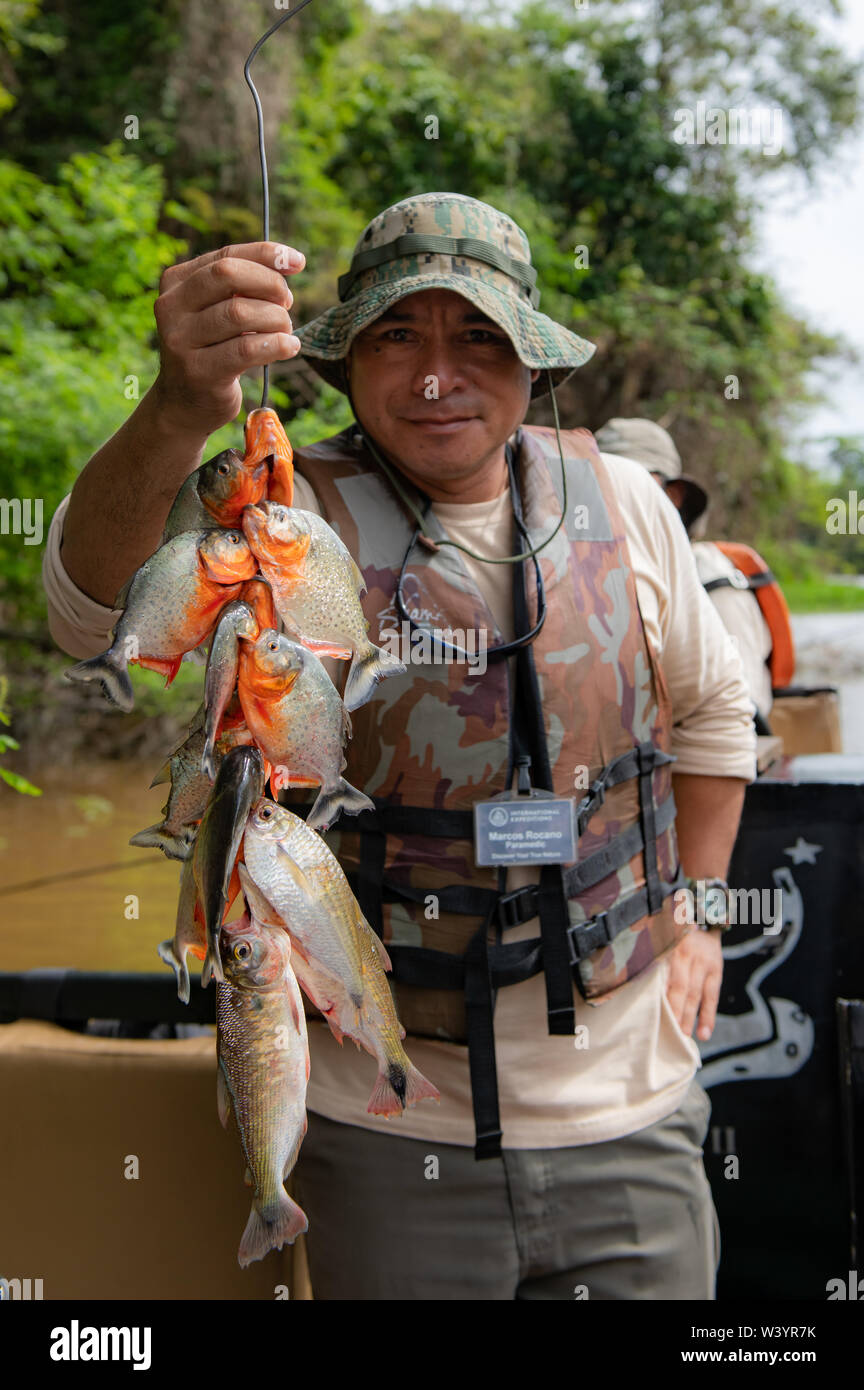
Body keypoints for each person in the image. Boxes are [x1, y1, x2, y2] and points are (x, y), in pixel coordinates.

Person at [43, 192, 757, 1301]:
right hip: (382, 1128)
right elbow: (89, 614)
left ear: (530, 358)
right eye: (396, 336)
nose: (436, 374)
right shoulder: (272, 517)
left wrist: (704, 912)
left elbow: (715, 715)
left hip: (632, 1109)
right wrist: (180, 408)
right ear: (343, 361)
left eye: (476, 336)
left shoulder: (623, 501)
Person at [595, 417, 787, 726]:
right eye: (602, 482)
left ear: (672, 497)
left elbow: (738, 716)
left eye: (635, 481)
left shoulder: (712, 583)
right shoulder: (590, 580)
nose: (618, 495)